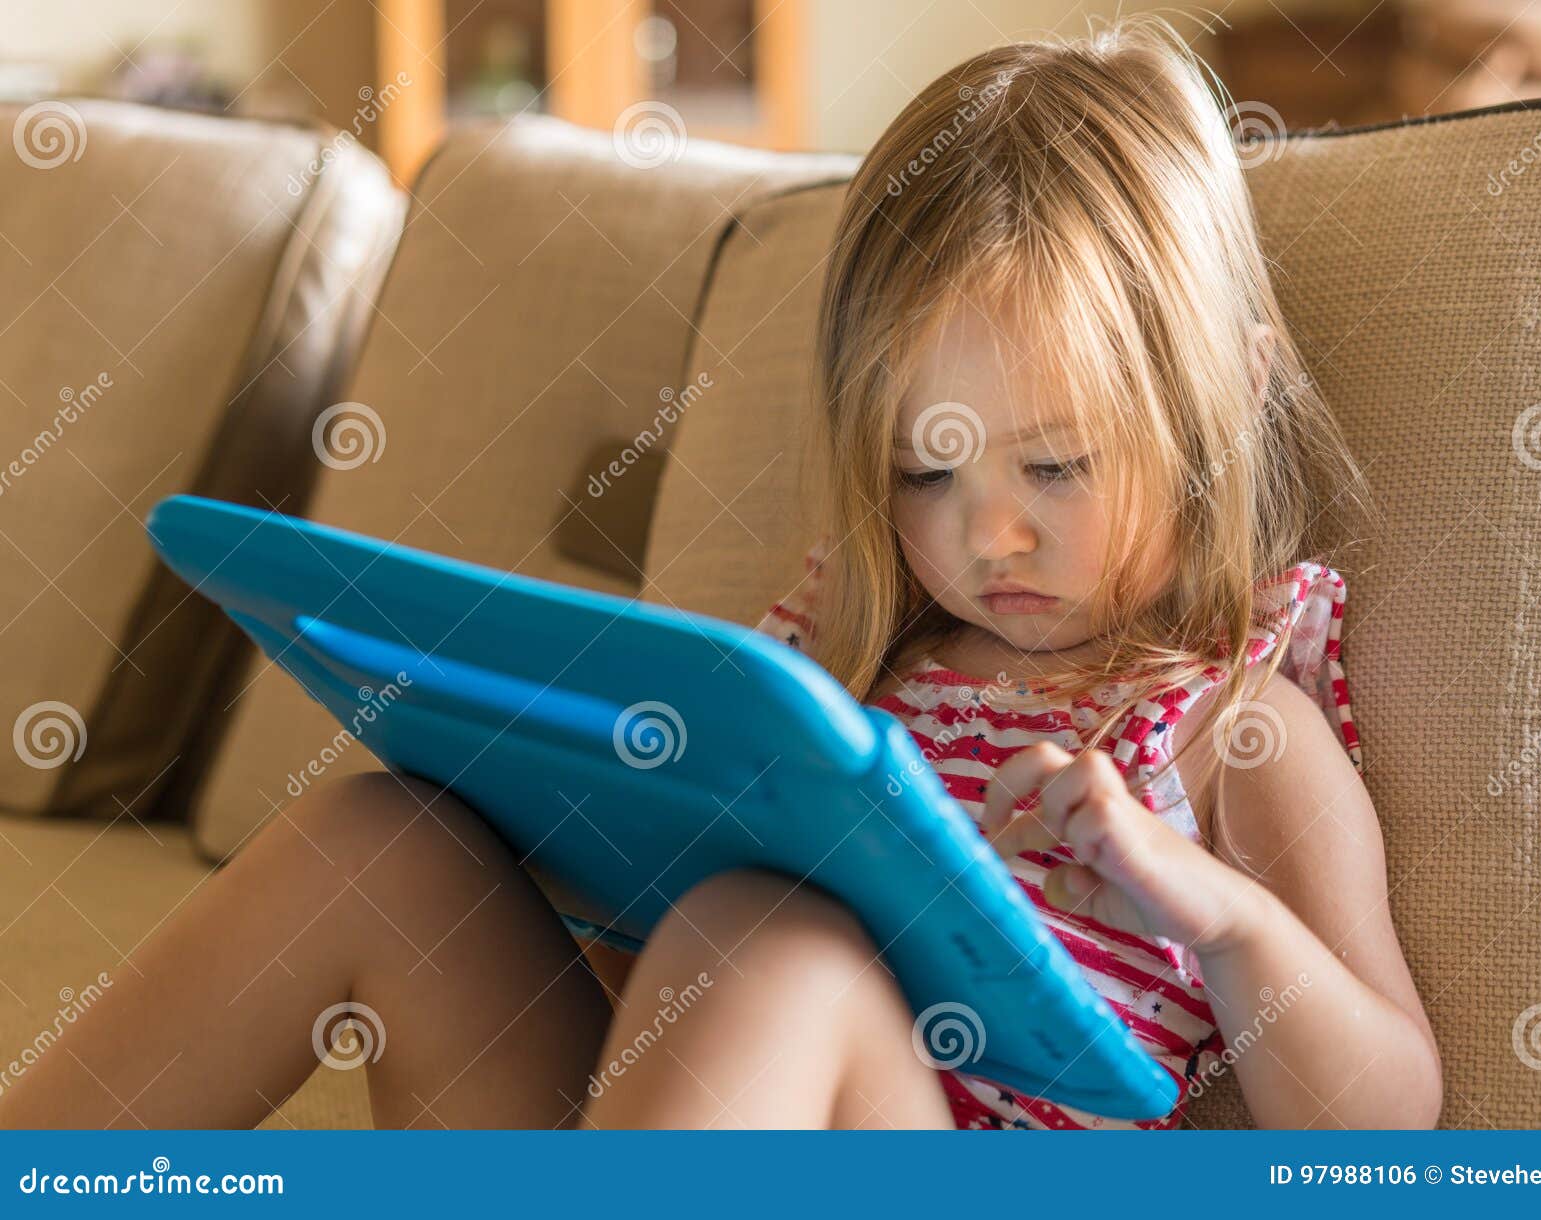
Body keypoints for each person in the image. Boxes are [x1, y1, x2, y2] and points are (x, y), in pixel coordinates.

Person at [0, 15, 1440, 1131]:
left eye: (1055, 468)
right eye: (926, 473)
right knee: (385, 847)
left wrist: (1211, 907)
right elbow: (665, 994)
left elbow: (1388, 1120)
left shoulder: (1235, 727)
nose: (986, 535)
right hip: (675, 1128)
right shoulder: (844, 664)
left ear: (1220, 411)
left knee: (778, 943)